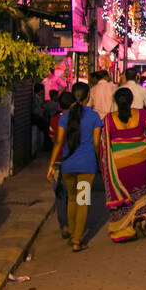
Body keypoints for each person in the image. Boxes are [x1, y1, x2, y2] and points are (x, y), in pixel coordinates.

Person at [100, 87, 146, 242]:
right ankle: (140, 220)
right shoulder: (142, 114)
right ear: (131, 100)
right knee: (142, 192)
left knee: (124, 194)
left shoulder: (108, 119)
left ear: (116, 101)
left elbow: (103, 144)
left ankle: (123, 230)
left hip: (119, 165)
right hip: (141, 162)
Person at [48, 84, 104, 251]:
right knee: (83, 201)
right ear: (88, 97)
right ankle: (77, 240)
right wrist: (100, 161)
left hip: (67, 165)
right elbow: (96, 143)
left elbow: (58, 142)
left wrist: (51, 164)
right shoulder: (94, 117)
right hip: (87, 166)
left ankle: (73, 233)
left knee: (72, 200)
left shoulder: (65, 117)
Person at [47, 91, 76, 240]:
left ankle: (64, 224)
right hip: (78, 163)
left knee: (61, 196)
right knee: (79, 195)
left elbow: (54, 140)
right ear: (73, 104)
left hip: (59, 162)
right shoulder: (79, 120)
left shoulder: (54, 120)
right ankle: (77, 223)